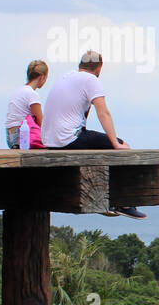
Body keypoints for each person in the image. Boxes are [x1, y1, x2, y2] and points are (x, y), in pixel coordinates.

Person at [41, 50, 147, 219]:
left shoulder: (66, 76)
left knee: (98, 143)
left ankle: (106, 197)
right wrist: (116, 144)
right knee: (124, 147)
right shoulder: (91, 80)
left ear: (80, 65)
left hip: (49, 140)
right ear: (99, 69)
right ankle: (123, 203)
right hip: (69, 138)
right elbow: (103, 113)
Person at [4, 60, 47, 149]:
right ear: (42, 77)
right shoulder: (32, 94)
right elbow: (41, 122)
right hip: (22, 135)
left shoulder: (18, 91)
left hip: (10, 136)